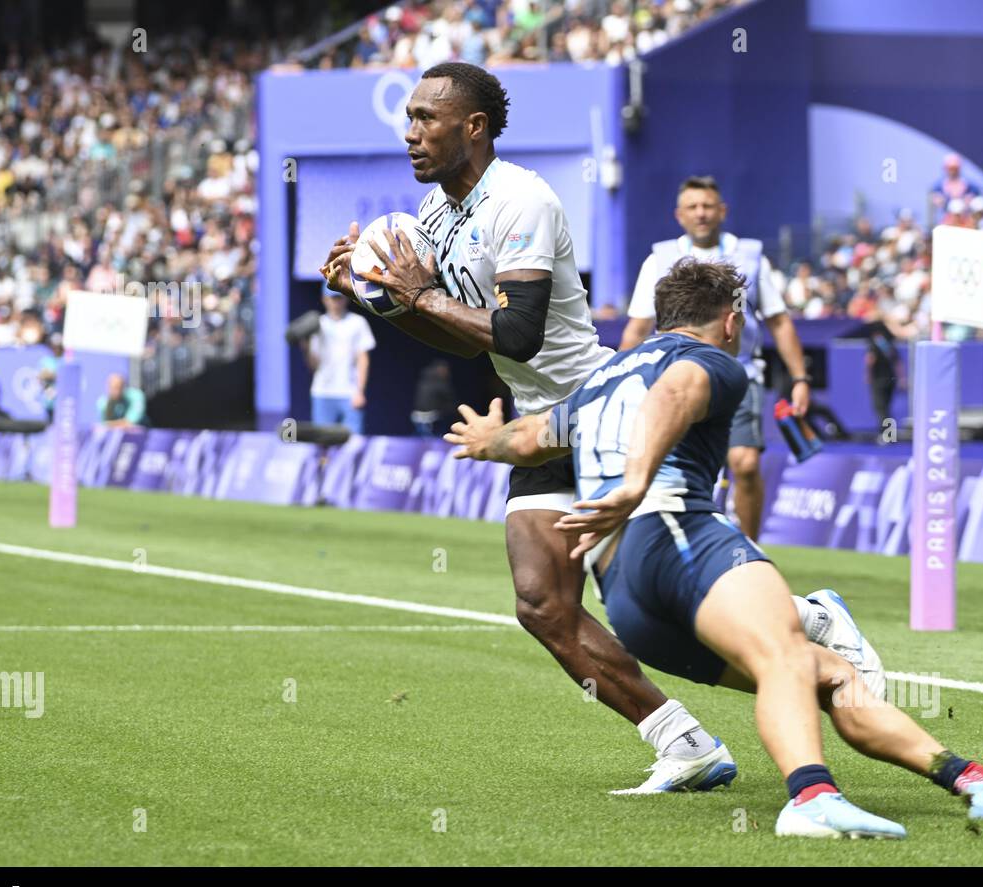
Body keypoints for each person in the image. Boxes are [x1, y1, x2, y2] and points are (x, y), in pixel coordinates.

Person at [445, 259, 983, 838]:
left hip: (627, 601)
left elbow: (532, 436)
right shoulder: (713, 363)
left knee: (822, 675)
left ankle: (974, 780)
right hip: (678, 539)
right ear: (730, 322)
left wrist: (488, 440)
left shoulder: (601, 379)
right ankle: (812, 795)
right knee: (787, 657)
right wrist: (635, 480)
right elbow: (674, 393)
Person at [321, 62, 731, 793]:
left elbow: (514, 332)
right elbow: (465, 337)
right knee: (541, 602)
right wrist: (378, 299)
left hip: (600, 409)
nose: (411, 133)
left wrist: (418, 295)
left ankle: (810, 628)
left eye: (426, 119)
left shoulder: (522, 200)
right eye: (409, 118)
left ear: (473, 128)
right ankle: (684, 741)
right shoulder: (436, 215)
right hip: (545, 423)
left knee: (656, 603)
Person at [618, 175, 812, 541]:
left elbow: (779, 322)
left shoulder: (751, 257)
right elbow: (637, 328)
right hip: (674, 381)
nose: (701, 214)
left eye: (708, 206)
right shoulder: (658, 259)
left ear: (722, 211)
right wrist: (615, 375)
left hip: (739, 376)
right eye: (693, 207)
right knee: (677, 468)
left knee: (746, 463)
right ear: (679, 215)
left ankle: (749, 550)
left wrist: (800, 378)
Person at [307, 290, 374, 433]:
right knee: (322, 445)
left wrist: (360, 391)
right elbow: (314, 365)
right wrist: (305, 346)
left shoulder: (358, 322)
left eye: (339, 298)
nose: (336, 302)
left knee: (354, 444)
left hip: (349, 392)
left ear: (346, 299)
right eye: (332, 298)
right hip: (322, 391)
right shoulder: (317, 324)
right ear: (324, 299)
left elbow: (363, 360)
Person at [411, 359, 458, 437]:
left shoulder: (423, 380)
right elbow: (451, 402)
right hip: (430, 418)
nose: (446, 372)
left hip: (417, 416)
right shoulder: (440, 384)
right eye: (444, 370)